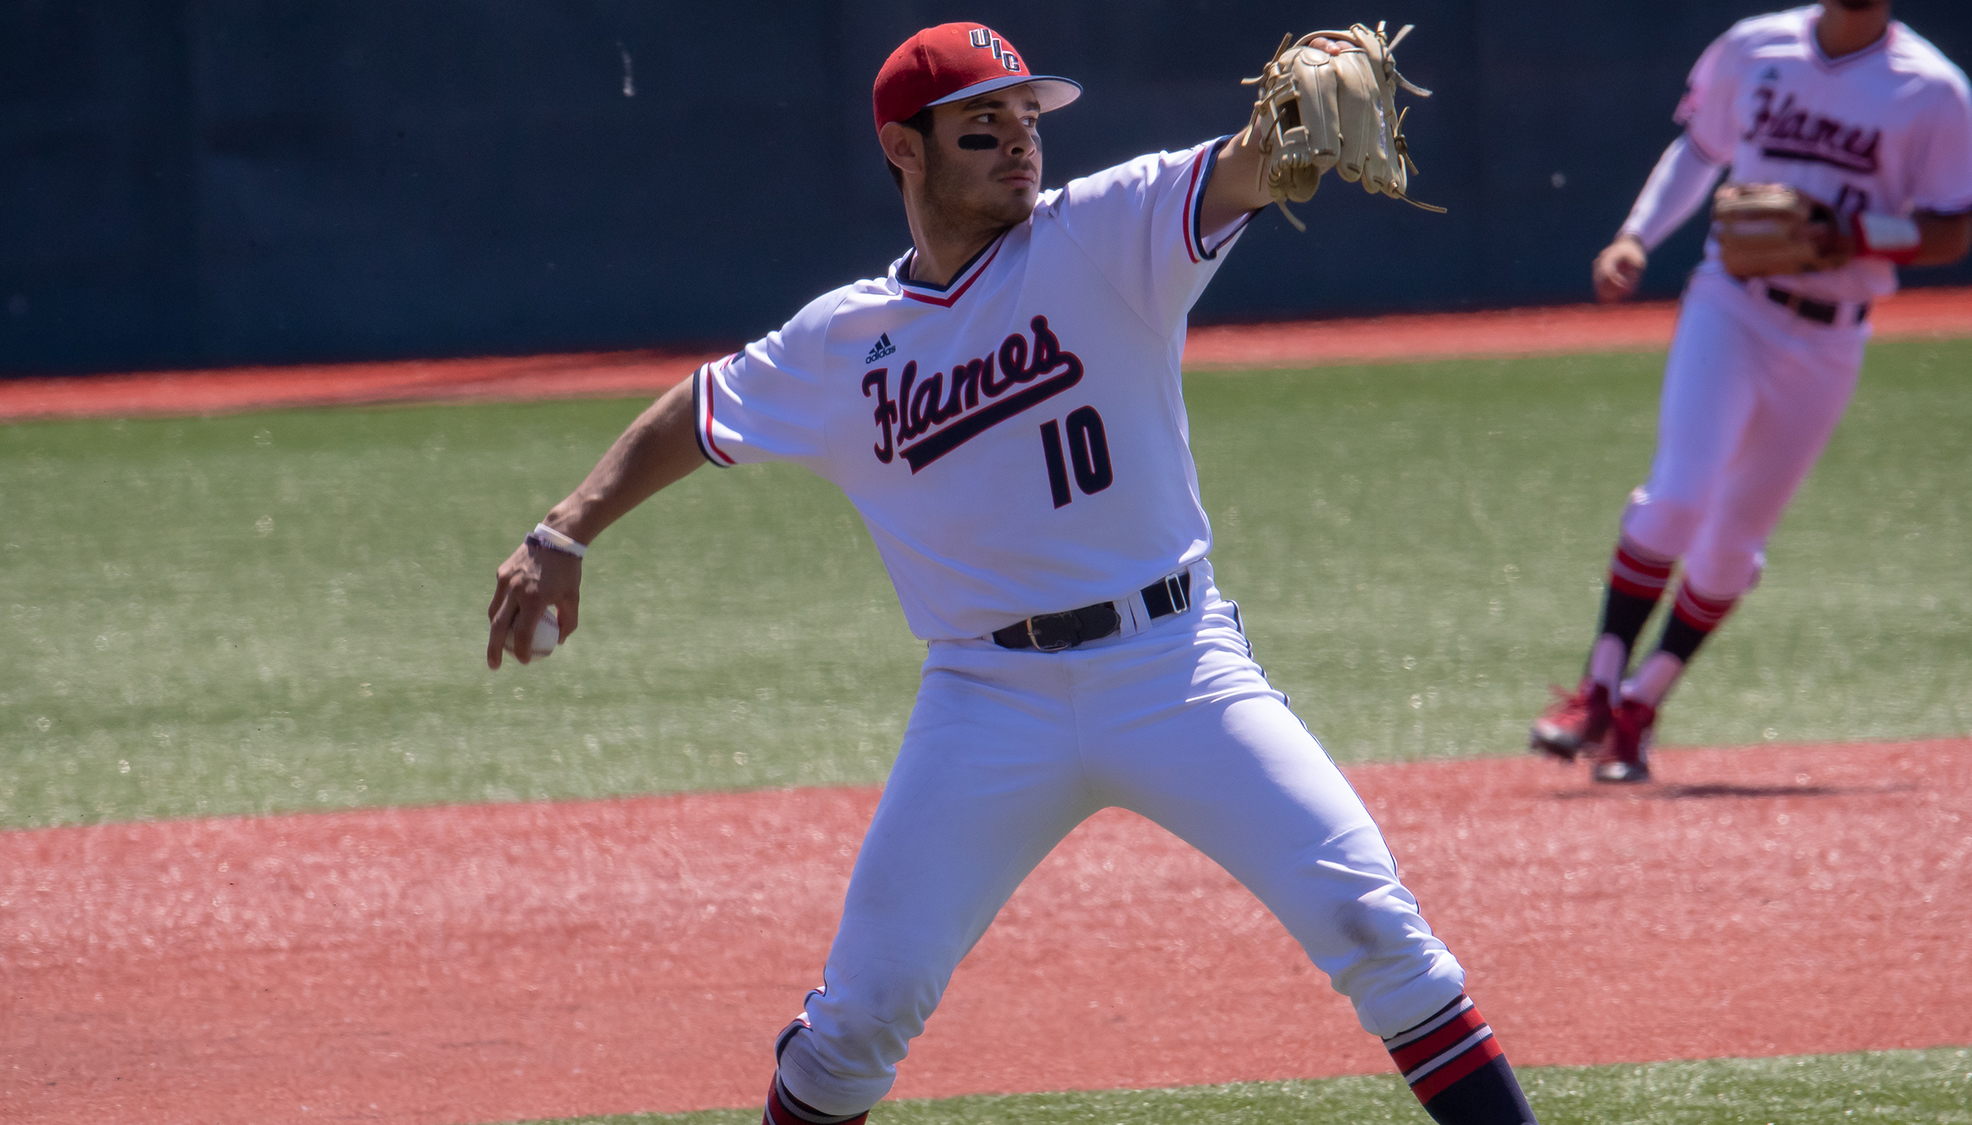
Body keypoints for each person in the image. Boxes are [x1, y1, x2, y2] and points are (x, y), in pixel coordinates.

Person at [488, 23, 1537, 1125]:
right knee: (855, 1030)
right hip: (986, 701)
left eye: (1028, 119)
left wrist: (1284, 139)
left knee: (1380, 935)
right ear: (904, 149)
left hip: (1176, 667)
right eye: (982, 126)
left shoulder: (1104, 230)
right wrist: (564, 532)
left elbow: (1243, 169)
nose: (1019, 143)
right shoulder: (842, 340)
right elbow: (698, 414)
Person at [1529, 0, 1972, 783]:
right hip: (1732, 303)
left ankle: (1639, 706)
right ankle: (1597, 691)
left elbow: (1953, 229)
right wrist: (1637, 235)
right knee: (1678, 497)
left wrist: (1857, 235)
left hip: (1832, 336)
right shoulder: (1756, 46)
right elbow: (1700, 150)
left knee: (1732, 546)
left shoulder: (1931, 88)